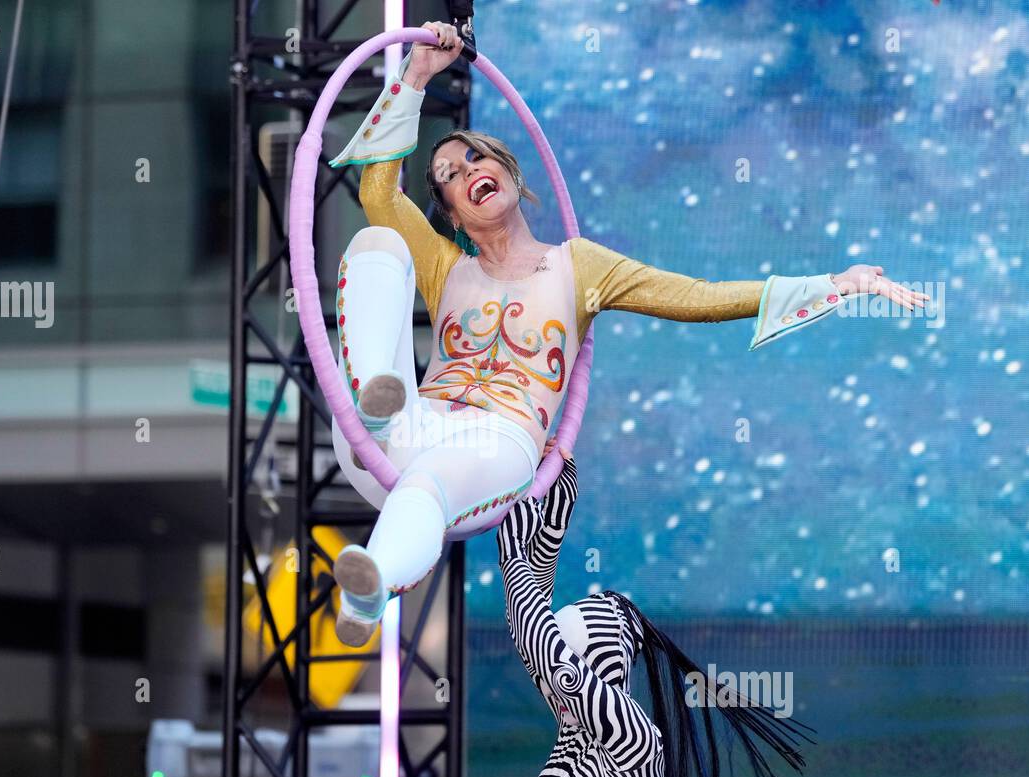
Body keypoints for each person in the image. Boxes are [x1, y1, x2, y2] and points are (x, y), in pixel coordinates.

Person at [324, 20, 929, 646]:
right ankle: (374, 403)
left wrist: (838, 281)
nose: (465, 167)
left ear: (509, 171)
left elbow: (698, 297)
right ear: (450, 214)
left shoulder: (578, 265)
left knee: (430, 482)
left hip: (491, 447)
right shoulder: (444, 267)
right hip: (401, 429)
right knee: (375, 240)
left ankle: (370, 590)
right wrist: (416, 74)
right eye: (448, 172)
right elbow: (377, 192)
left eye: (476, 155)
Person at [496, 445, 817, 777]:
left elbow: (542, 647)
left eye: (565, 644)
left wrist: (514, 554)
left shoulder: (634, 739)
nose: (551, 663)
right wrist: (554, 513)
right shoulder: (589, 736)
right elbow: (534, 639)